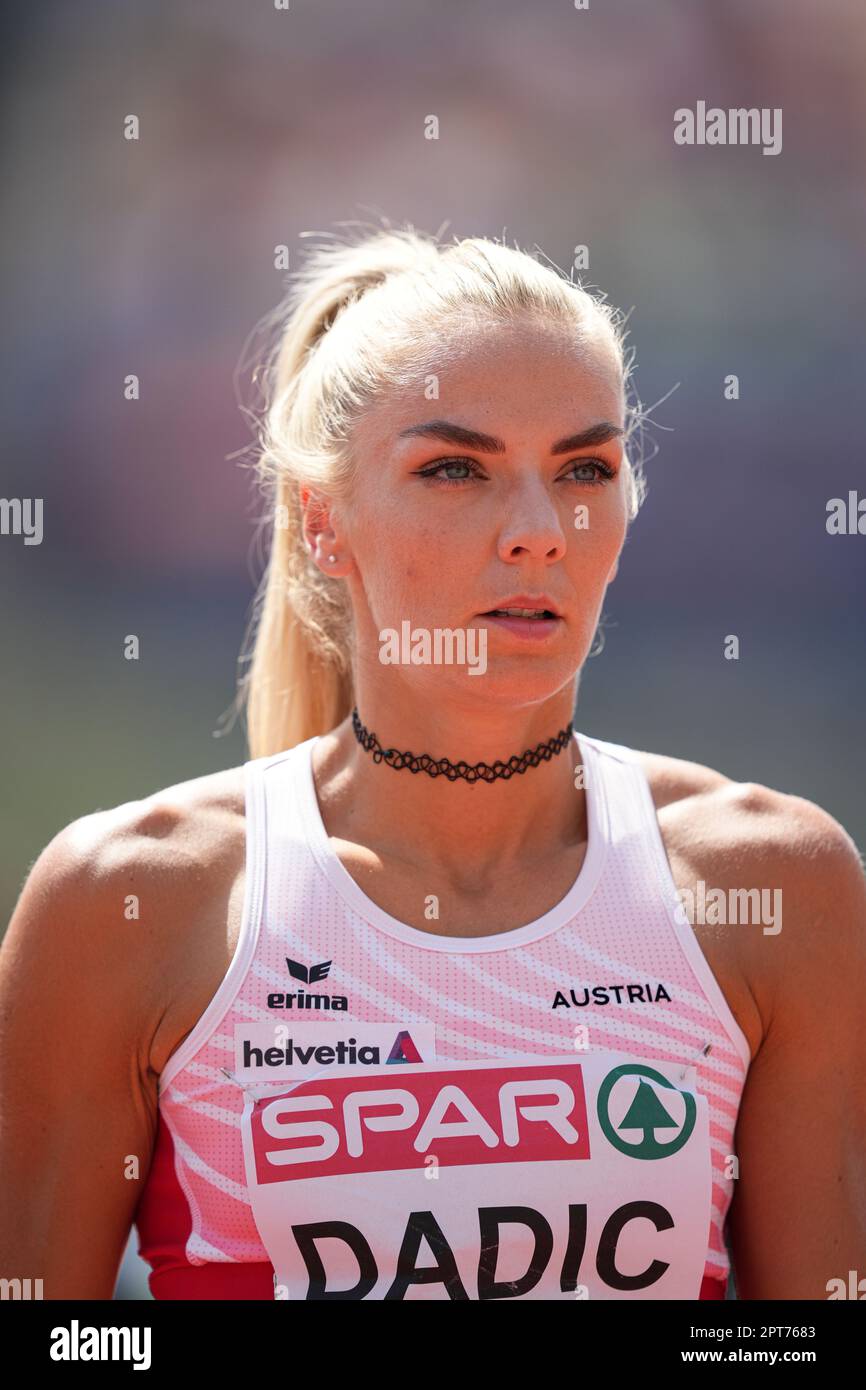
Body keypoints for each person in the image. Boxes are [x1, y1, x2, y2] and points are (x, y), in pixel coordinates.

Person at [1, 226, 864, 1301]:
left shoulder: (769, 883)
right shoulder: (129, 898)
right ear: (324, 522)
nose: (538, 531)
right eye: (456, 468)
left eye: (583, 467)